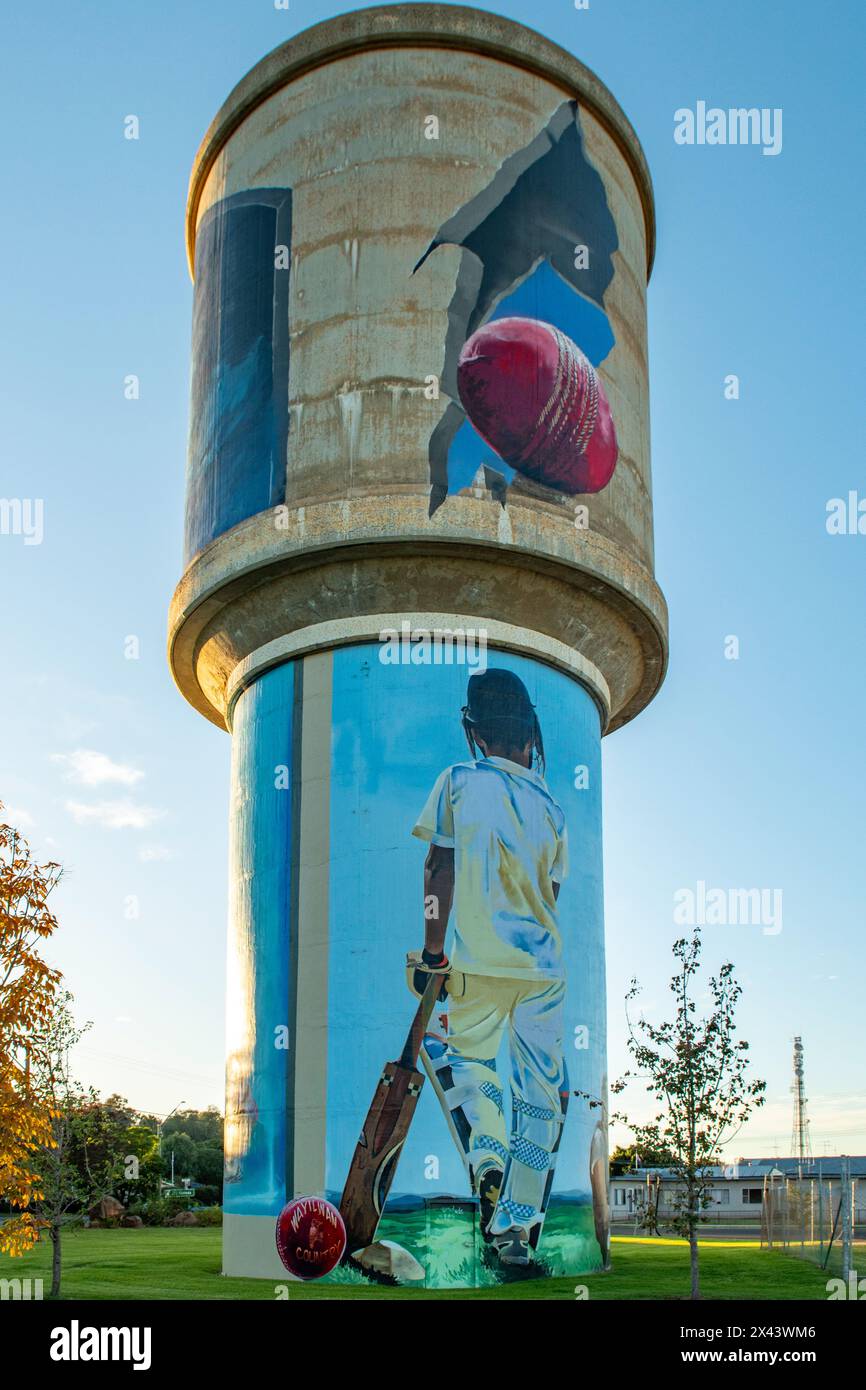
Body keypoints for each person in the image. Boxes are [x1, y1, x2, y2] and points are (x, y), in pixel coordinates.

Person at [412, 668, 569, 1266]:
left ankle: (488, 1159)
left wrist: (433, 953)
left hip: (479, 964)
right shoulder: (553, 810)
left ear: (474, 731)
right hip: (545, 971)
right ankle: (516, 1228)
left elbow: (437, 870)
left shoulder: (456, 782)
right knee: (540, 1100)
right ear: (530, 735)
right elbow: (551, 896)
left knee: (469, 1062)